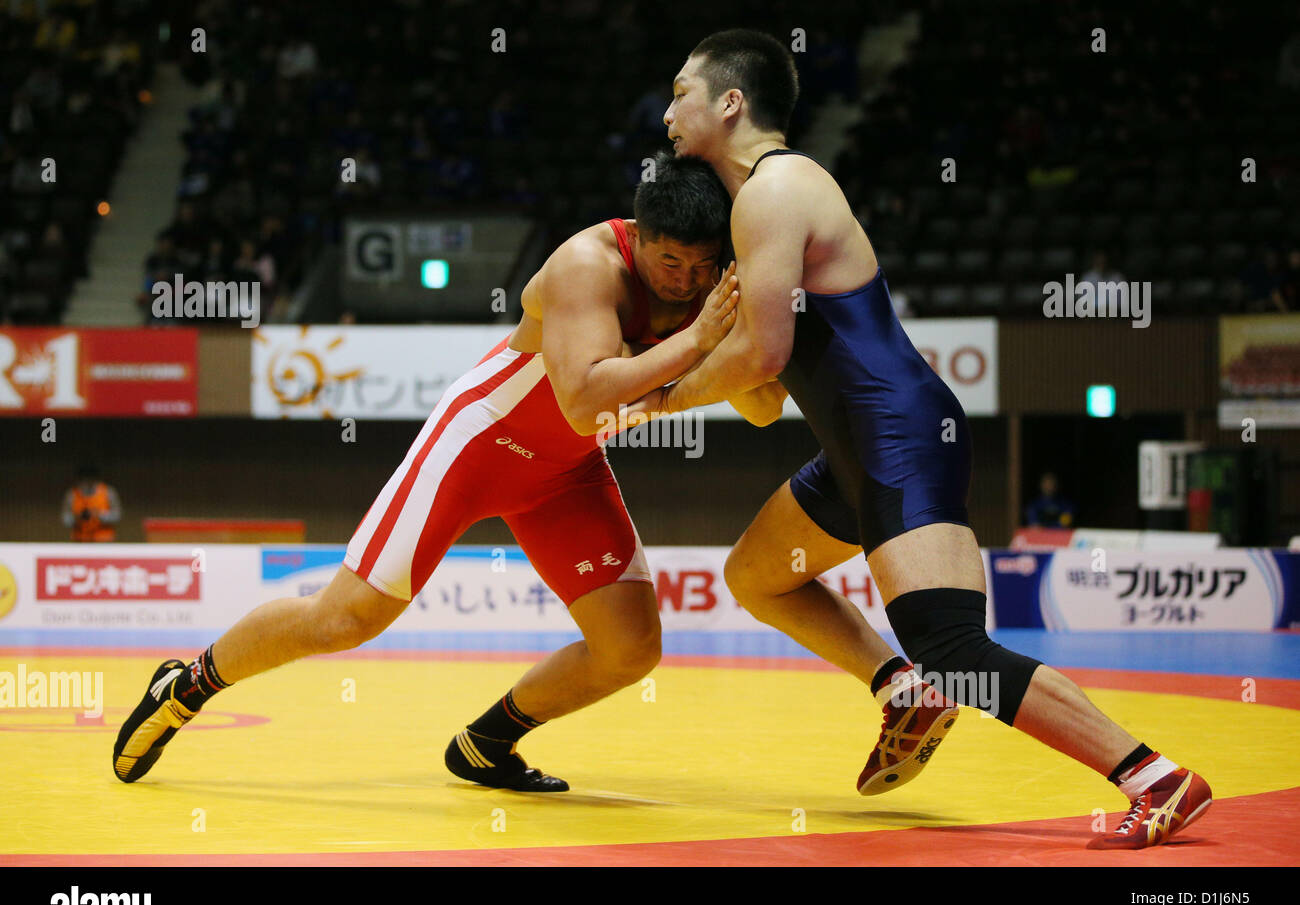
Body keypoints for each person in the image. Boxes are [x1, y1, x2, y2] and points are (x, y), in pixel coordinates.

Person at [117, 154, 945, 796]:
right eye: (667, 263)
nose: (684, 281)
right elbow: (586, 402)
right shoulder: (587, 266)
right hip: (480, 443)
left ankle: (486, 741)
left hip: (564, 473)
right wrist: (700, 343)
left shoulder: (712, 288)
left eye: (700, 267)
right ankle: (188, 683)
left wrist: (743, 340)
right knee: (344, 620)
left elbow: (762, 407)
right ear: (637, 231)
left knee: (630, 650)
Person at [645, 29, 1210, 848]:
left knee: (954, 648)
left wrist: (657, 394)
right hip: (852, 454)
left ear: (731, 102)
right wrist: (707, 345)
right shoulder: (749, 213)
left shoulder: (778, 189)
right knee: (758, 577)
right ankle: (899, 688)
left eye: (681, 92)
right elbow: (765, 395)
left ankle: (1155, 777)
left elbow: (759, 356)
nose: (667, 113)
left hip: (901, 437)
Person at [62, 464, 121, 542]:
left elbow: (117, 516)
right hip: (80, 539)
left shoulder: (108, 492)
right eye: (84, 481)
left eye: (91, 480)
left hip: (103, 540)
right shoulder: (72, 494)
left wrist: (99, 515)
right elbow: (65, 519)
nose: (87, 484)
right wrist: (78, 517)